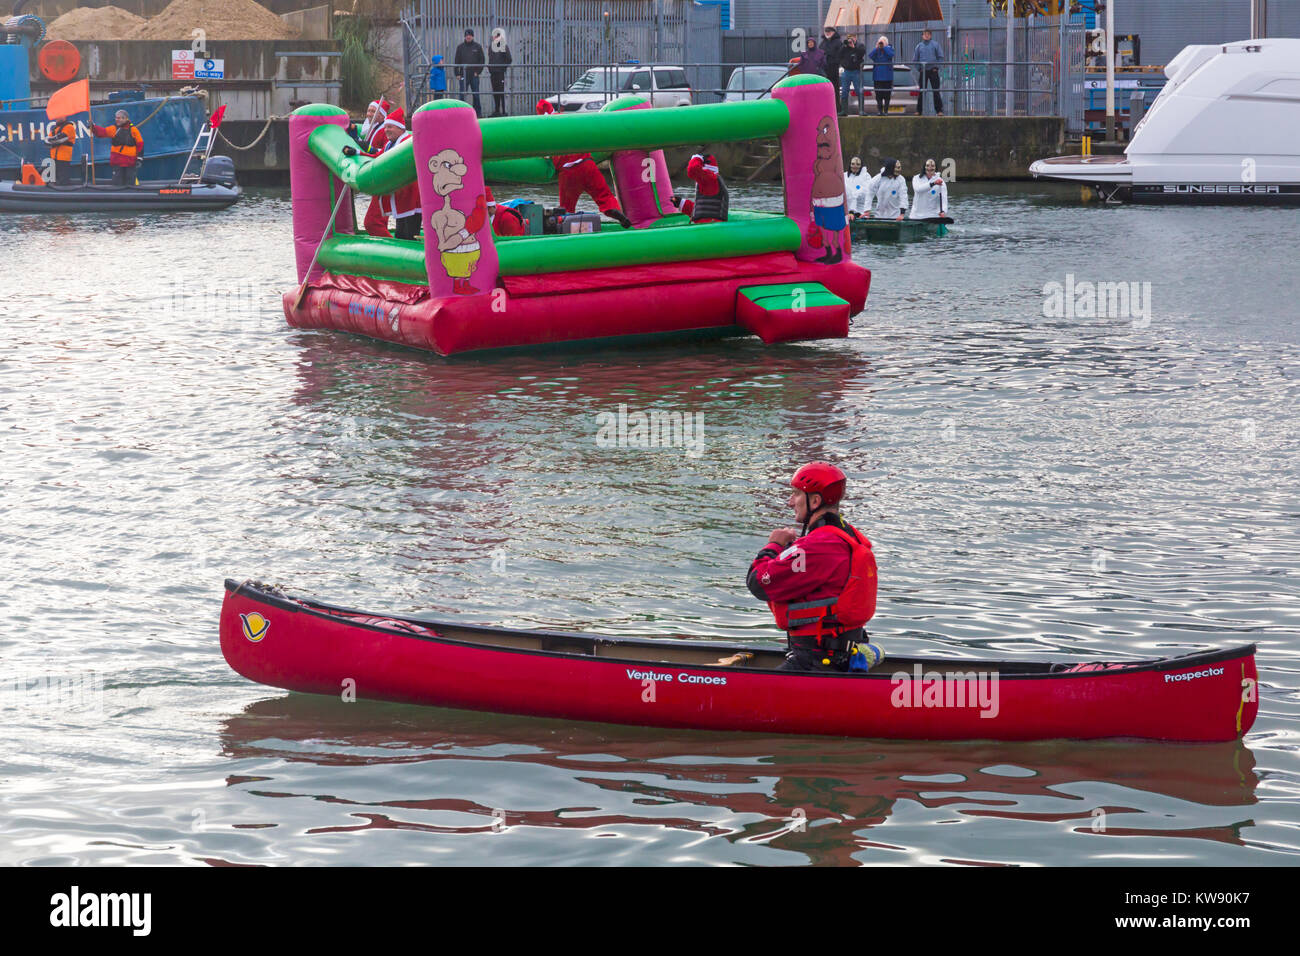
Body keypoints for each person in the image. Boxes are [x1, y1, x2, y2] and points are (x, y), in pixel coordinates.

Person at [746, 462, 878, 672]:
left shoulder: (818, 545)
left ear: (815, 501)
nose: (790, 502)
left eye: (796, 494)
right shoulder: (848, 535)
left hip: (816, 661)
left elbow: (757, 582)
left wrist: (773, 546)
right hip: (844, 652)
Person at [534, 99, 631, 227]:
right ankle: (614, 211)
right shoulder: (566, 119)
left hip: (569, 171)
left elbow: (545, 155)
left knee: (567, 209)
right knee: (604, 195)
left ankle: (569, 235)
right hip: (587, 163)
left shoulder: (543, 128)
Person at [91, 109, 143, 187]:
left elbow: (140, 144)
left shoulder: (133, 130)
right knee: (117, 184)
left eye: (119, 118)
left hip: (130, 163)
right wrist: (93, 127)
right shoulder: (114, 129)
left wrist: (139, 159)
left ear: (125, 119)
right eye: (116, 118)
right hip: (118, 163)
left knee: (130, 183)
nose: (117, 119)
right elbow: (102, 132)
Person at [685, 153, 728, 223]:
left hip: (709, 226)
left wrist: (697, 158)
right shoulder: (710, 181)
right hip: (709, 223)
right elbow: (701, 208)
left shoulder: (711, 179)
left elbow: (692, 170)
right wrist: (682, 203)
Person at [913, 28, 944, 115]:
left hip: (933, 71)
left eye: (928, 34)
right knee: (922, 92)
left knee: (936, 91)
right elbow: (915, 60)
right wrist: (919, 69)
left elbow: (940, 57)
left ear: (931, 36)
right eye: (925, 34)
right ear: (922, 36)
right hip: (923, 71)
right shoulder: (919, 46)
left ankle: (939, 110)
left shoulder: (935, 45)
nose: (926, 35)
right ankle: (919, 111)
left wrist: (936, 68)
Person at [454, 29, 485, 115]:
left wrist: (478, 72)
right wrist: (457, 74)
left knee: (476, 95)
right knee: (462, 95)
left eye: (470, 35)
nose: (468, 37)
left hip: (474, 75)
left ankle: (478, 114)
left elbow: (482, 60)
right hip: (463, 74)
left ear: (473, 36)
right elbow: (456, 61)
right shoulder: (460, 47)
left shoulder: (478, 47)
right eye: (467, 35)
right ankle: (461, 114)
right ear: (465, 36)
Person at [868, 35, 895, 116]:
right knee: (878, 95)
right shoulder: (877, 50)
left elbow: (891, 55)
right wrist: (877, 48)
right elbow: (870, 56)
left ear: (886, 43)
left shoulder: (889, 48)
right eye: (880, 42)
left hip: (887, 77)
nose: (881, 44)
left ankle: (886, 111)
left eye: (883, 42)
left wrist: (884, 47)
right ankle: (880, 111)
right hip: (877, 77)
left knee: (887, 95)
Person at [838, 34, 866, 115]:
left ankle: (861, 111)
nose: (850, 40)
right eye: (849, 38)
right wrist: (844, 46)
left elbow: (862, 53)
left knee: (859, 90)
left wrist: (854, 47)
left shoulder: (860, 46)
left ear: (856, 38)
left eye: (852, 38)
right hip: (846, 71)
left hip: (856, 71)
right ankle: (844, 111)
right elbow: (839, 55)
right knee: (844, 91)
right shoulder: (845, 47)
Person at [46, 115, 76, 185]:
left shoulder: (69, 127)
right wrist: (52, 140)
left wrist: (51, 140)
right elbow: (46, 142)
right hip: (53, 159)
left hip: (63, 159)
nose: (57, 117)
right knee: (53, 180)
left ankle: (65, 193)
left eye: (60, 115)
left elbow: (60, 139)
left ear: (65, 117)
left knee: (63, 181)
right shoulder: (55, 129)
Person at [488, 29, 512, 116]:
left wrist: (502, 67)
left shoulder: (503, 45)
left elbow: (509, 59)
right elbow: (490, 58)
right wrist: (490, 67)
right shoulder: (491, 46)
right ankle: (497, 110)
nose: (494, 38)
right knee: (495, 92)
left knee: (501, 91)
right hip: (493, 73)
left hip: (500, 73)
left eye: (496, 36)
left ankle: (504, 111)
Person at [844, 155, 872, 219]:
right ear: (850, 165)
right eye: (853, 164)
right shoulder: (844, 176)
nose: (855, 166)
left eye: (858, 164)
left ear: (861, 165)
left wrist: (852, 211)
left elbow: (861, 193)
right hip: (846, 212)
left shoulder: (866, 177)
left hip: (861, 212)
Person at [819, 25, 843, 90]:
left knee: (834, 87)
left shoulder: (838, 42)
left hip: (833, 68)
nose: (827, 33)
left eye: (829, 32)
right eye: (826, 32)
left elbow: (841, 55)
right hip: (824, 68)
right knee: (825, 87)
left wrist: (836, 63)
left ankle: (836, 100)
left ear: (833, 32)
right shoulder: (823, 43)